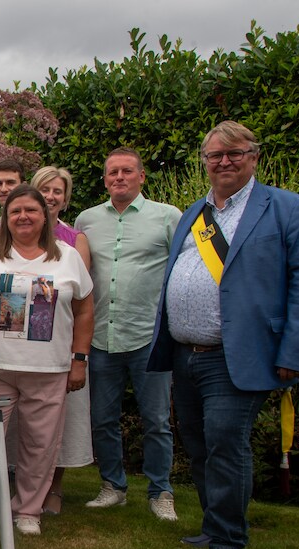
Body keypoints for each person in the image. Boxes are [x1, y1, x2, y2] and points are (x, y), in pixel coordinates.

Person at [148, 121, 299, 549]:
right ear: (205, 162)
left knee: (227, 445)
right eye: (215, 155)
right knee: (200, 446)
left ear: (254, 156)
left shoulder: (286, 208)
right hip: (186, 354)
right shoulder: (195, 213)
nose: (224, 161)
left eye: (235, 153)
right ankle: (214, 525)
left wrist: (293, 353)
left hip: (236, 354)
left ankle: (229, 540)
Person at [0, 184, 94, 536]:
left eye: (31, 210)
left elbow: (85, 311)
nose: (23, 216)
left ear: (44, 215)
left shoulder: (67, 257)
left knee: (40, 445)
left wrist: (79, 360)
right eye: (15, 211)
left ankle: (28, 509)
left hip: (49, 370)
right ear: (6, 217)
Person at [74, 148, 181, 521]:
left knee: (156, 421)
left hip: (149, 336)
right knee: (103, 419)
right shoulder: (87, 220)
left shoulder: (167, 216)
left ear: (142, 176)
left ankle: (160, 491)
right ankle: (113, 487)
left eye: (127, 171)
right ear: (105, 179)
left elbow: (182, 268)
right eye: (113, 172)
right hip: (101, 336)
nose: (119, 177)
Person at [31, 166, 92, 515]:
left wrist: (77, 357)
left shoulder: (74, 241)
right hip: (22, 344)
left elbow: (81, 300)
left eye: (58, 191)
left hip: (61, 342)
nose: (51, 196)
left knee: (62, 422)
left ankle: (54, 487)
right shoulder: (16, 234)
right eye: (45, 190)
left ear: (65, 199)